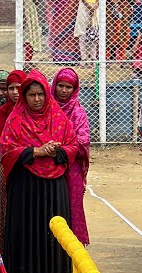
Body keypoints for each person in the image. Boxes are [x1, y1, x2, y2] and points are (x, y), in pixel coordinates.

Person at [0, 70, 78, 273]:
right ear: (24, 96)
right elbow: (6, 150)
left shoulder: (59, 118)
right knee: (26, 232)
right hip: (25, 187)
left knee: (55, 233)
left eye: (40, 94)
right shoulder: (15, 120)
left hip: (54, 188)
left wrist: (58, 150)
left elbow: (73, 144)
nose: (36, 99)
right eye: (31, 94)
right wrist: (35, 151)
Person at [52, 68, 91, 246]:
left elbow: (83, 143)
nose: (64, 90)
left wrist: (63, 147)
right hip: (48, 166)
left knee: (72, 206)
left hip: (72, 168)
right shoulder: (48, 109)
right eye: (60, 85)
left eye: (68, 87)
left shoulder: (78, 113)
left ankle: (74, 247)